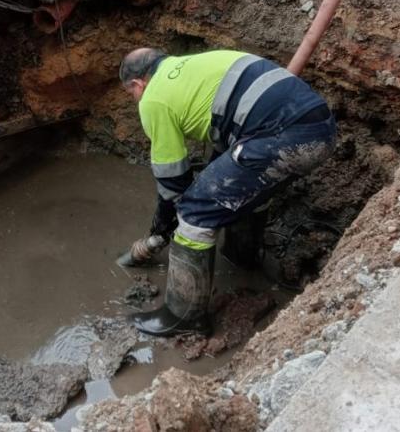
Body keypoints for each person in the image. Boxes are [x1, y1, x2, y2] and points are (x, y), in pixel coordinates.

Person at [118, 47, 336, 337]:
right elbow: (226, 141)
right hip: (320, 128)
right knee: (242, 188)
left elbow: (172, 178)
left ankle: (183, 317)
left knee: (195, 212)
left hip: (283, 135)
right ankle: (243, 256)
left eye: (131, 94)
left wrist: (166, 222)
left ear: (138, 84)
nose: (135, 100)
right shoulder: (194, 65)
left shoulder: (153, 98)